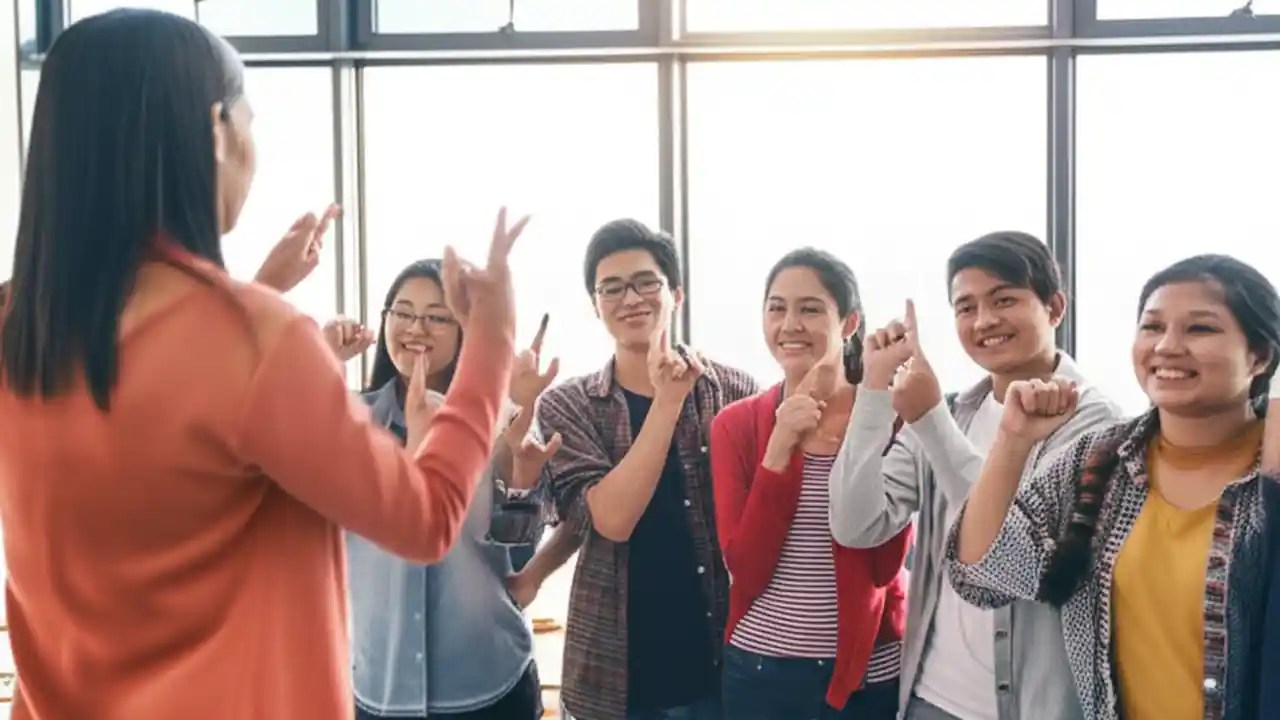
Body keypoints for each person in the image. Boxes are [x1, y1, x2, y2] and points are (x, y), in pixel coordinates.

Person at [0, 10, 525, 719]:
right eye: (250, 120)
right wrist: (491, 342)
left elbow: (150, 414)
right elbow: (423, 519)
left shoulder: (18, 320)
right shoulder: (253, 340)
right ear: (216, 133)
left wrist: (252, 292)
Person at [949, 254, 1280, 720]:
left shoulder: (1272, 471)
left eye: (1200, 329)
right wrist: (1013, 440)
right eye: (1152, 327)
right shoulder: (1101, 463)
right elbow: (984, 576)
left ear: (1260, 356)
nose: (1167, 346)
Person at [829, 231, 1120, 720]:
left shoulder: (1098, 423)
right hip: (931, 697)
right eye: (966, 308)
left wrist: (929, 422)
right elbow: (856, 525)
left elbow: (1015, 558)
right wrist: (875, 392)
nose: (984, 321)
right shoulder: (954, 412)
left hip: (1037, 709)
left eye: (1004, 299)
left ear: (1054, 308)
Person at [528, 218, 759, 720]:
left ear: (675, 293)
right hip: (612, 669)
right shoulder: (569, 406)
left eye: (645, 282)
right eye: (611, 288)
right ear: (596, 305)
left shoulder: (735, 391)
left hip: (719, 662)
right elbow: (608, 519)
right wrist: (667, 404)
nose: (630, 298)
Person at [344, 259, 561, 720]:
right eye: (402, 312)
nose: (416, 327)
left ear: (465, 328)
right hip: (379, 686)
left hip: (487, 679)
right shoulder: (348, 421)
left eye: (437, 317)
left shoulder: (501, 418)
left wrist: (518, 464)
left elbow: (519, 555)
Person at [709, 248, 908, 719]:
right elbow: (746, 568)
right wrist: (779, 447)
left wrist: (871, 420)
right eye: (777, 308)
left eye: (811, 308)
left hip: (868, 671)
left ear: (849, 322)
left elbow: (883, 566)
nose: (790, 324)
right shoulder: (735, 425)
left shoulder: (890, 418)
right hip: (761, 668)